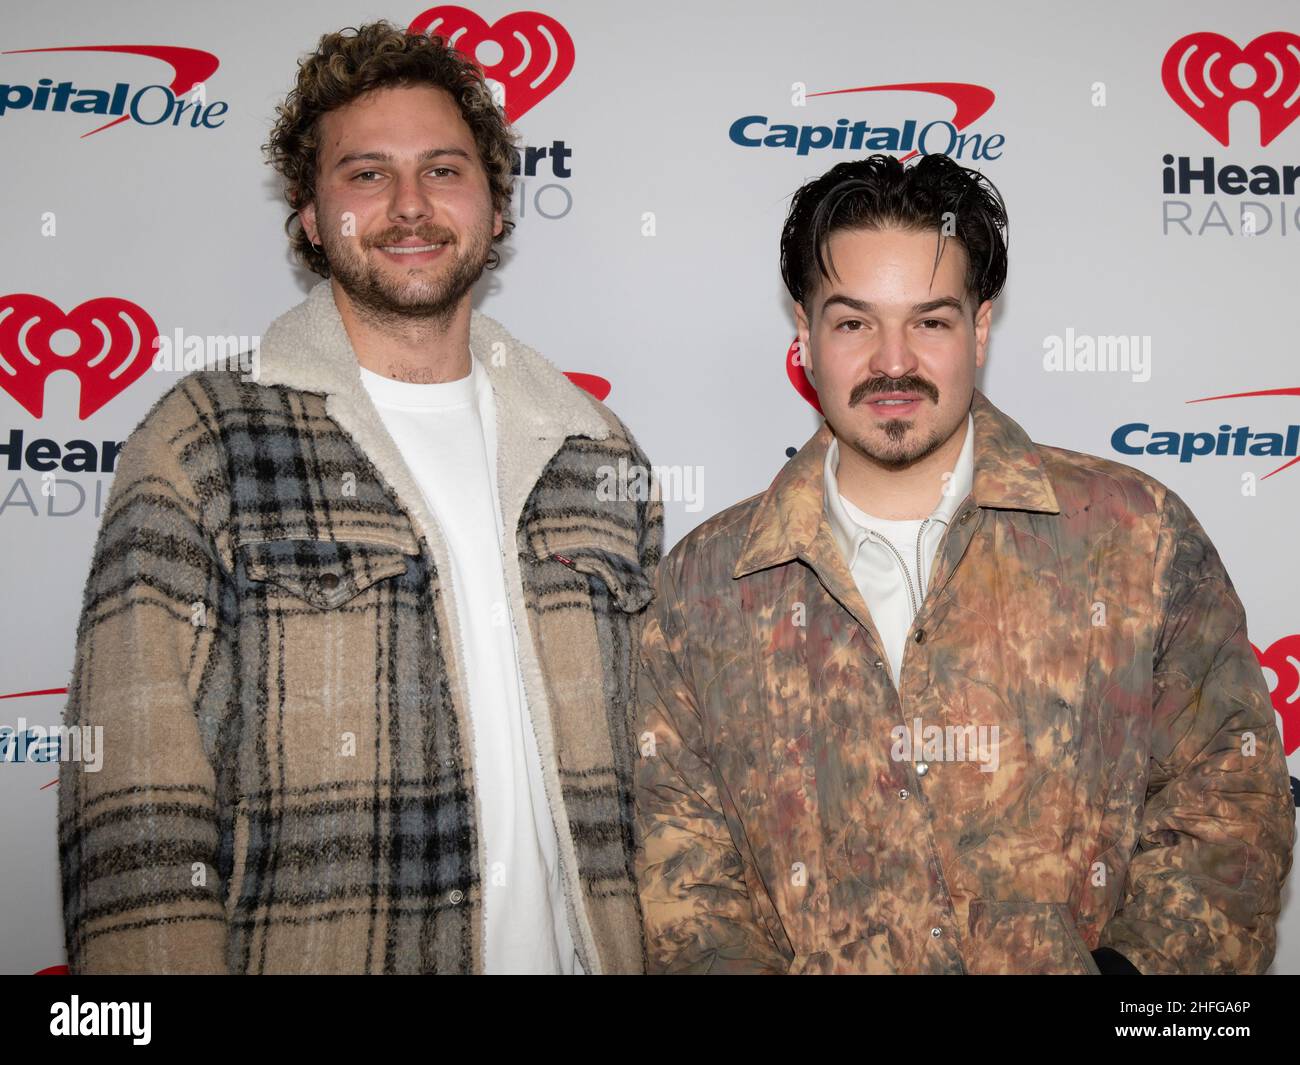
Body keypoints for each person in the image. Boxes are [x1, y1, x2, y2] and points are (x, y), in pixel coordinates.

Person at [58, 21, 661, 974]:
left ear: (498, 208)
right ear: (309, 214)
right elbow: (135, 808)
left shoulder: (592, 448)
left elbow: (658, 787)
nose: (410, 206)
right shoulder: (201, 442)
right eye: (367, 174)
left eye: (445, 170)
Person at [633, 152, 1294, 974]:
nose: (894, 360)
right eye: (853, 322)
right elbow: (685, 876)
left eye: (931, 321)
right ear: (803, 337)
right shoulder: (706, 586)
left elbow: (1230, 797)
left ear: (980, 328)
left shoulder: (1135, 535)